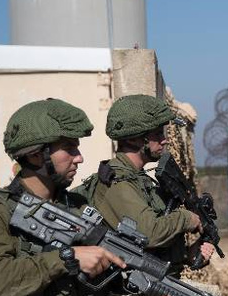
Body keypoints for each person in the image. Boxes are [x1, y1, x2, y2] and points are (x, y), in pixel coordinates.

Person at [0, 98, 182, 296]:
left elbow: (107, 277)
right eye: (69, 149)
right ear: (35, 154)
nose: (79, 158)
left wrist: (147, 295)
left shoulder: (77, 205)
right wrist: (67, 258)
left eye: (77, 147)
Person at [85, 94, 215, 276]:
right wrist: (187, 218)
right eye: (157, 134)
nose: (165, 140)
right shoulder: (116, 182)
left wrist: (188, 254)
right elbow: (148, 233)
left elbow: (147, 249)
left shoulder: (140, 180)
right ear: (133, 139)